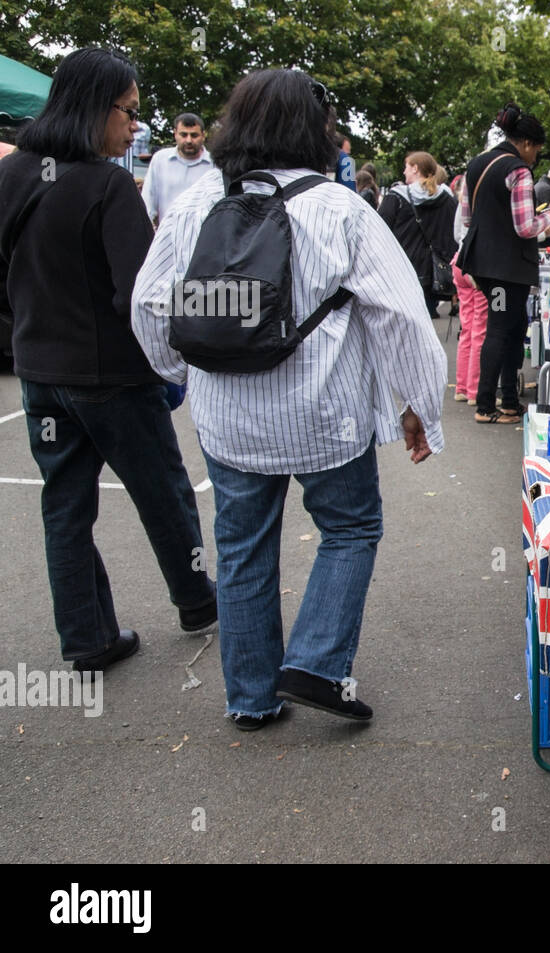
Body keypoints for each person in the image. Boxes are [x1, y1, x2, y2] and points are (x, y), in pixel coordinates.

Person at [131, 69, 447, 729]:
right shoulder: (339, 208)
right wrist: (419, 402)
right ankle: (318, 660)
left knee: (242, 544)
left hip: (228, 419)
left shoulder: (193, 204)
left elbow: (148, 302)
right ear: (314, 131)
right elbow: (402, 316)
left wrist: (177, 370)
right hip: (325, 413)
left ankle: (250, 696)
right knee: (351, 526)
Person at [0, 47, 217, 674]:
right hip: (113, 378)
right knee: (164, 493)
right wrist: (174, 367)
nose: (134, 128)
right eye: (129, 113)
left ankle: (87, 638)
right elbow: (141, 298)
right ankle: (196, 601)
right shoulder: (107, 186)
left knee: (65, 506)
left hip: (40, 370)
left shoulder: (15, 174)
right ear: (96, 108)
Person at [458, 103, 550, 424]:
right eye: (537, 152)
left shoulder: (476, 165)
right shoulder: (518, 170)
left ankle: (508, 400)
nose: (535, 159)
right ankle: (487, 405)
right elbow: (526, 227)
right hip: (506, 268)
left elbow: (466, 217)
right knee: (501, 329)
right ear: (527, 143)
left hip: (483, 263)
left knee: (513, 327)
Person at [378, 151, 457, 318]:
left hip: (402, 269)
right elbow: (454, 234)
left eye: (406, 167)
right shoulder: (448, 199)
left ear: (415, 168)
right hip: (437, 270)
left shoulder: (396, 198)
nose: (404, 171)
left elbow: (379, 233)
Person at [450, 173, 488, 403]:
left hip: (459, 262)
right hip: (479, 266)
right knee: (480, 329)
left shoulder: (463, 199)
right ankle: (475, 391)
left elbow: (457, 234)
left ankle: (462, 387)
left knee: (466, 328)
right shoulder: (485, 202)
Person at [140, 111, 212, 224]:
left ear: (203, 135)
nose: (188, 140)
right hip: (167, 236)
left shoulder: (215, 164)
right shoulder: (160, 160)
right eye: (183, 135)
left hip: (204, 237)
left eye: (194, 135)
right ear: (175, 134)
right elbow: (148, 201)